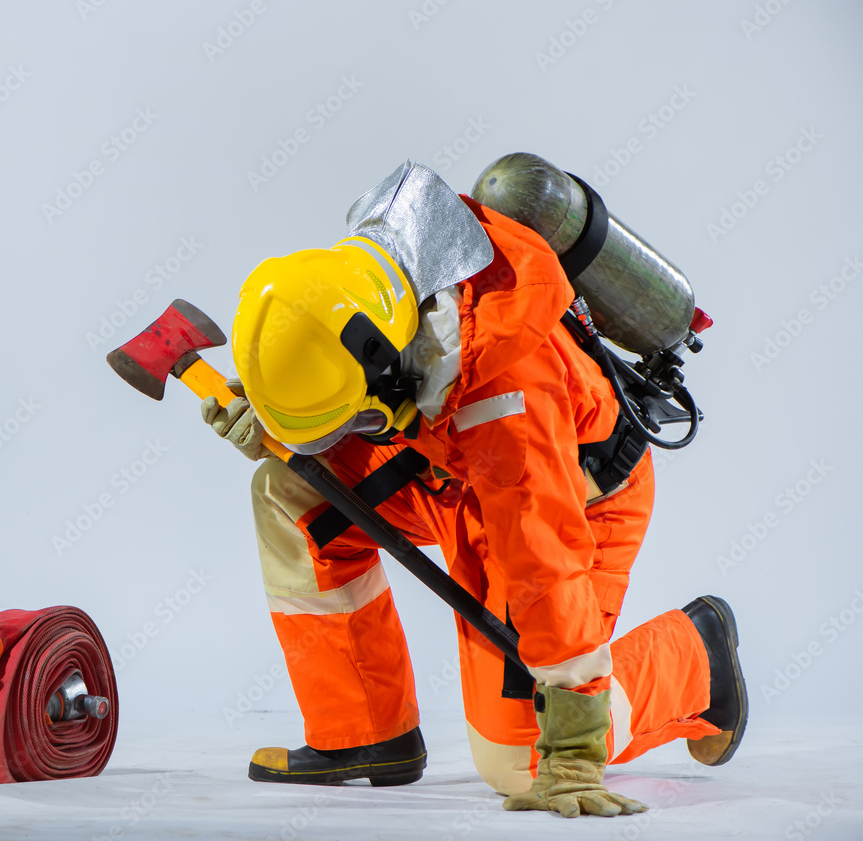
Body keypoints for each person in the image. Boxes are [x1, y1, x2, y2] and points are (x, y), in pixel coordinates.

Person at [201, 160, 747, 818]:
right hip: (452, 470)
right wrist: (281, 420)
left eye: (358, 418)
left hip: (575, 501)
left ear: (386, 363)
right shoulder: (384, 281)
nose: (355, 432)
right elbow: (374, 401)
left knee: (519, 764)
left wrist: (573, 746)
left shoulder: (507, 399)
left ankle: (697, 656)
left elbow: (544, 560)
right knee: (287, 493)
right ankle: (365, 732)